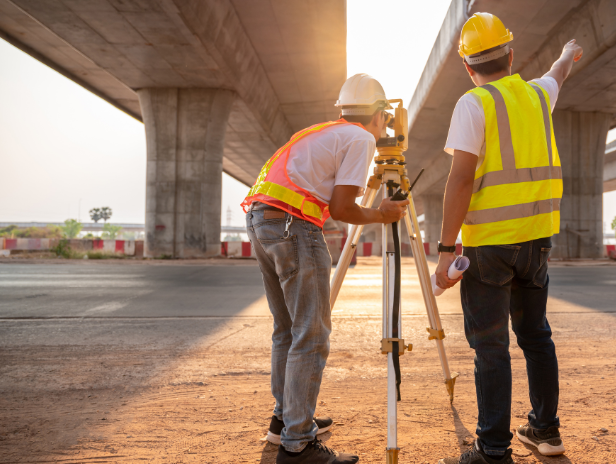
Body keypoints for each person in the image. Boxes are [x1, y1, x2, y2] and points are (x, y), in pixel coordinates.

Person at [433, 12, 583, 464]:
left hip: (490, 247)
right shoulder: (537, 95)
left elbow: (461, 179)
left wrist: (445, 250)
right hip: (537, 243)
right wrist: (566, 53)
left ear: (467, 66)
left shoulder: (474, 103)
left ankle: (493, 449)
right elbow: (558, 73)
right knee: (536, 336)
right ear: (511, 56)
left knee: (491, 346)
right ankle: (546, 431)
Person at [241, 73, 408, 464]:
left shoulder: (322, 132)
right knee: (311, 334)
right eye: (384, 118)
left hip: (261, 221)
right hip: (293, 226)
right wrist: (382, 214)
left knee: (287, 330)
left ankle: (286, 420)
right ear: (379, 113)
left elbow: (327, 189)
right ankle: (298, 444)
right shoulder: (361, 138)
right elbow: (342, 208)